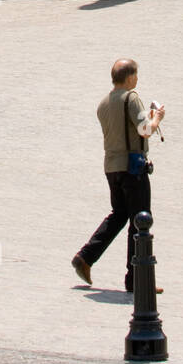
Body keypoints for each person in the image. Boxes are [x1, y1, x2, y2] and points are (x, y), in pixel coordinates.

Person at [71, 58, 165, 291]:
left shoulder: (104, 103)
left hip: (111, 167)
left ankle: (85, 257)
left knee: (120, 214)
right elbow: (144, 131)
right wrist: (156, 118)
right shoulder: (131, 98)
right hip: (133, 167)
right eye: (136, 75)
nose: (138, 79)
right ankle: (137, 279)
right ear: (130, 77)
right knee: (140, 221)